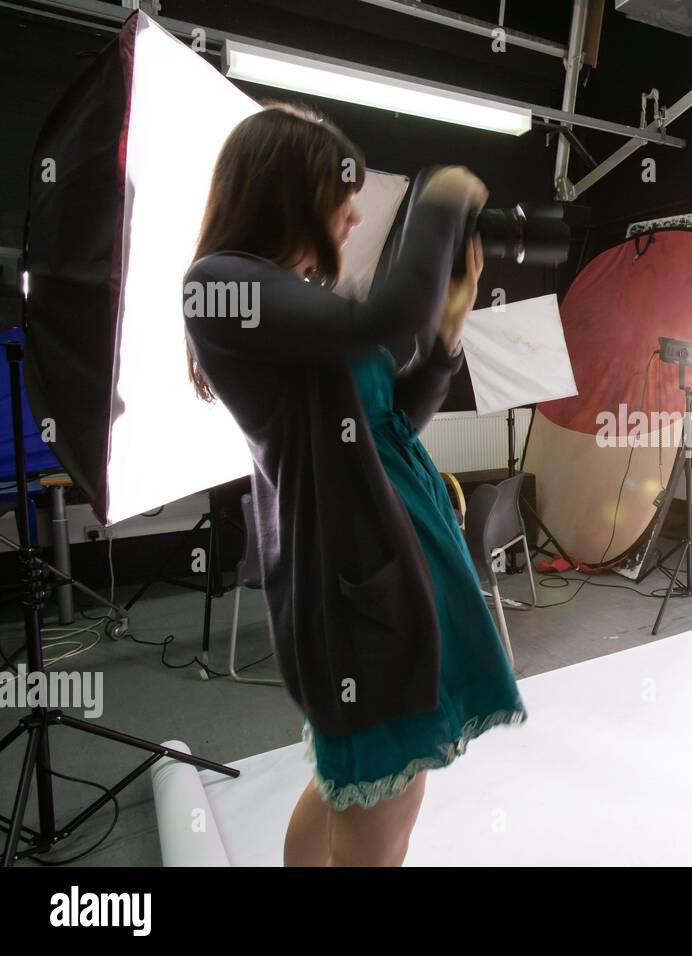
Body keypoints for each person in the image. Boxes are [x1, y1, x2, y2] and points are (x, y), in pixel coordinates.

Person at [183, 103, 526, 865]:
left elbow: (396, 418)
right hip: (355, 587)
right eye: (344, 189)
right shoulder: (218, 286)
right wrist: (442, 194)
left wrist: (447, 333)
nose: (353, 211)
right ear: (291, 187)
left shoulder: (295, 302)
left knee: (350, 786)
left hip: (395, 569)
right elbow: (382, 317)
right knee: (380, 810)